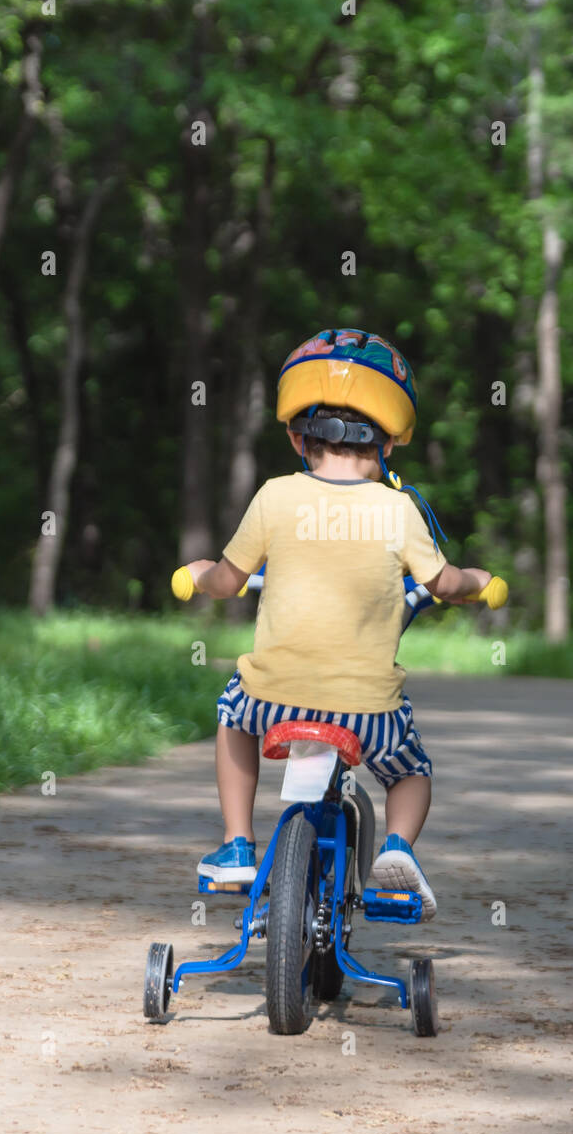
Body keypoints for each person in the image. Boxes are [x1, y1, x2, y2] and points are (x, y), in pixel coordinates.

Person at [185, 329, 493, 919]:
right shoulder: (400, 510)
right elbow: (443, 584)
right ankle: (398, 849)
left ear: (300, 437)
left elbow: (226, 580)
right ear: (388, 445)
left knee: (230, 715)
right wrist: (479, 583)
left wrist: (199, 573)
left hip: (269, 703)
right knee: (411, 771)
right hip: (367, 716)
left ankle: (236, 845)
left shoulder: (274, 497)